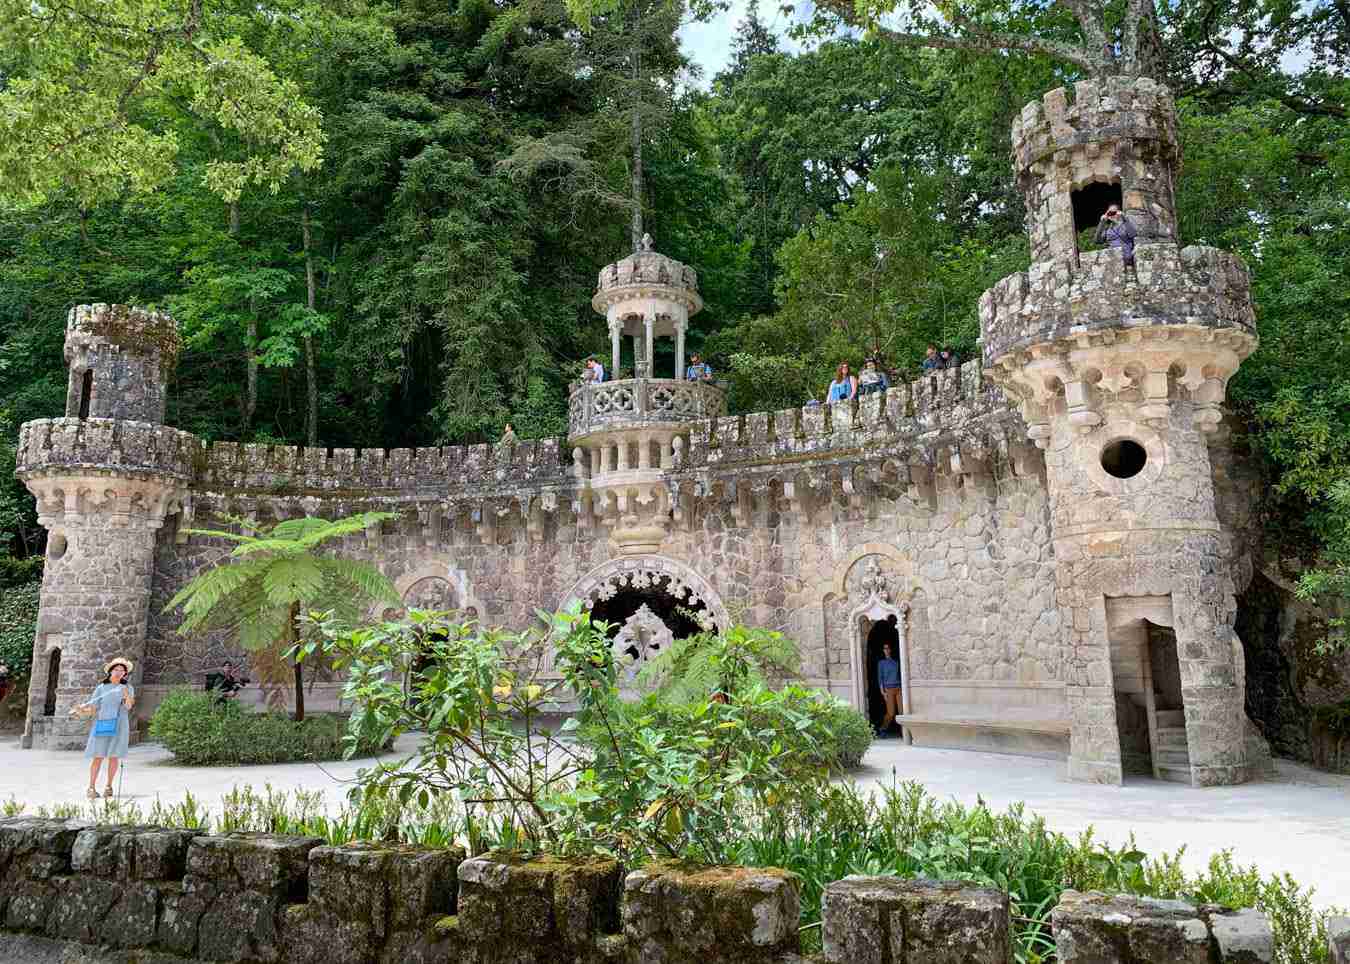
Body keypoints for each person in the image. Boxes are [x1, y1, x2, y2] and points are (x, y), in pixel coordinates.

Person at [74, 658, 136, 799]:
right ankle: (91, 787)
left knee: (114, 756)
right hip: (102, 723)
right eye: (116, 669)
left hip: (120, 724)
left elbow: (128, 706)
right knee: (98, 756)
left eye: (122, 670)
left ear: (125, 673)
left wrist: (126, 693)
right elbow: (94, 708)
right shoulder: (101, 688)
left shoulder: (128, 688)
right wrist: (80, 710)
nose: (119, 672)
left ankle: (109, 786)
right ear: (110, 671)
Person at [1095, 204, 1138, 273]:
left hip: (1127, 260)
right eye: (1110, 213)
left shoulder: (1125, 224)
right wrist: (1102, 223)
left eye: (1114, 212)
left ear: (1119, 212)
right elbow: (1097, 240)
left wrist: (1124, 218)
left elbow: (1133, 234)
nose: (1112, 214)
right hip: (1113, 261)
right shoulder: (1107, 229)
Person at [877, 642, 901, 738]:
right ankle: (883, 728)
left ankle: (904, 732)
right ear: (883, 650)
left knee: (902, 712)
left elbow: (899, 675)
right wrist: (883, 692)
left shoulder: (896, 663)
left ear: (890, 650)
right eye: (884, 648)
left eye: (888, 648)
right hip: (888, 689)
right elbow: (880, 677)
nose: (886, 650)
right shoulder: (881, 663)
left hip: (899, 688)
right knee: (891, 713)